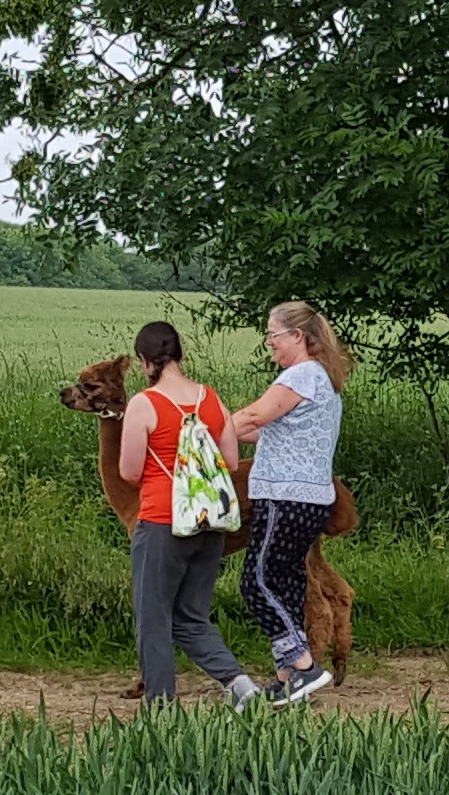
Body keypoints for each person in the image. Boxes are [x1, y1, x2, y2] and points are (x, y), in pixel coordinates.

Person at [115, 320, 257, 708]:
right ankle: (241, 686)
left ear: (146, 362)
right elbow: (230, 461)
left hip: (162, 522)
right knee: (191, 616)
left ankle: (160, 709)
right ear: (180, 355)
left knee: (154, 619)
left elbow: (127, 472)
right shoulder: (210, 398)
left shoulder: (145, 403)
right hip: (209, 523)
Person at [227, 299, 347, 705]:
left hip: (284, 496)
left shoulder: (300, 376)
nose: (269, 343)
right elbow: (268, 434)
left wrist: (194, 430)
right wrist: (231, 433)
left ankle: (302, 664)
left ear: (297, 336)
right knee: (288, 581)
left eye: (273, 335)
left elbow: (251, 419)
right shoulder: (322, 380)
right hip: (311, 498)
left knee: (256, 581)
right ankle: (288, 678)